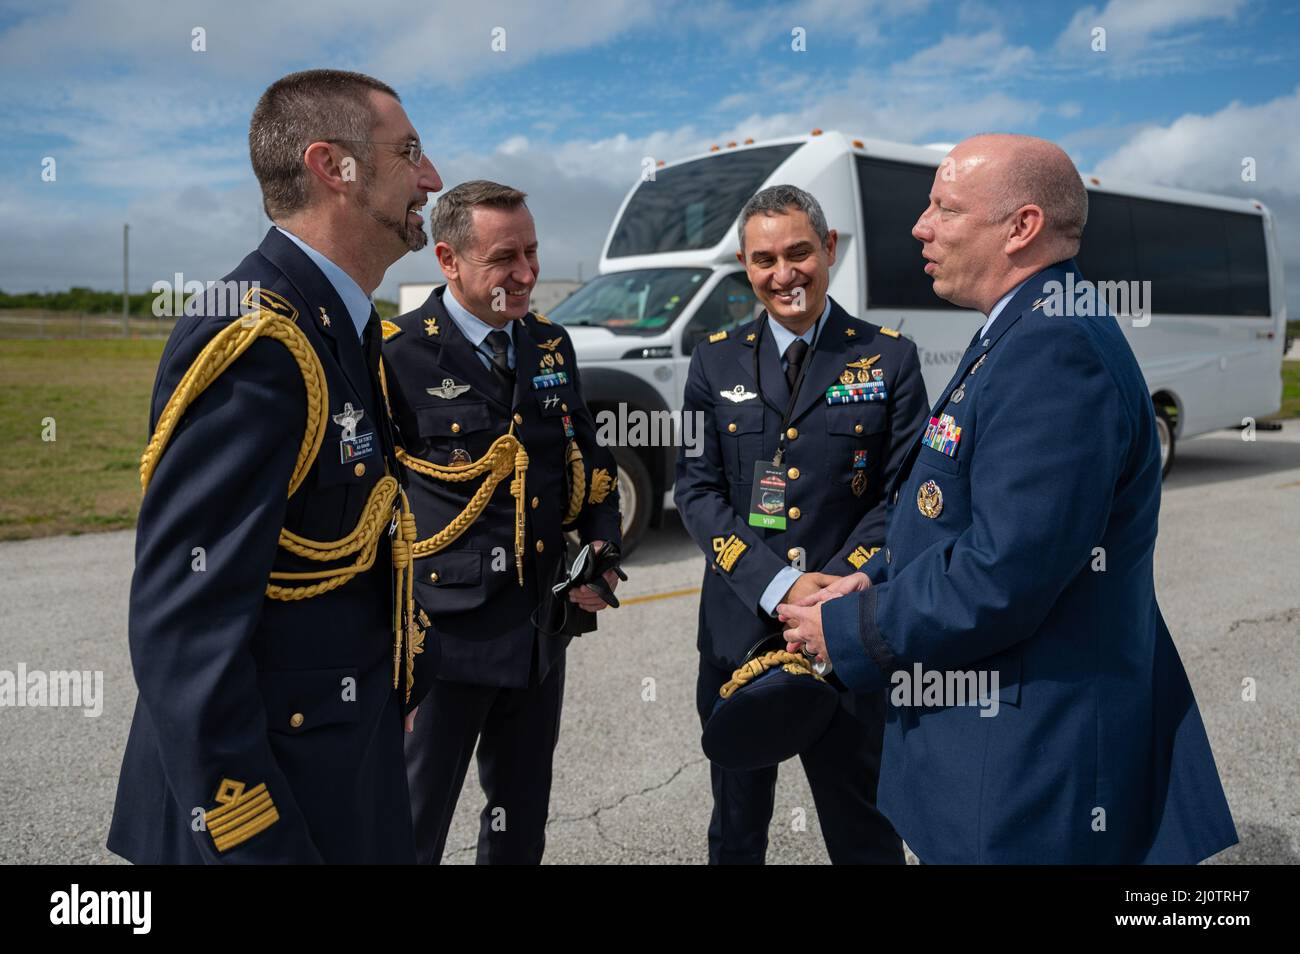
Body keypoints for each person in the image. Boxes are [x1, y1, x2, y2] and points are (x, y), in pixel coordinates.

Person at [780, 134, 1238, 864]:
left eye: (946, 208)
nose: (920, 226)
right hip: (998, 739)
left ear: (1021, 228)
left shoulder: (1055, 348)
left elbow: (1006, 572)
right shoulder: (1023, 325)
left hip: (1026, 764)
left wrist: (854, 626)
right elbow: (961, 514)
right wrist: (886, 576)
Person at [107, 70, 443, 863]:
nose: (431, 178)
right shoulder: (257, 342)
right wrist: (251, 837)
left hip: (340, 767)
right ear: (335, 167)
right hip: (268, 808)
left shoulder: (344, 324)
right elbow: (185, 629)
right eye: (411, 153)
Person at [675, 184, 929, 864]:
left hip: (846, 629)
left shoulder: (890, 359)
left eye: (798, 253)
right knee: (736, 827)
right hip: (739, 632)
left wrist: (840, 583)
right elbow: (696, 490)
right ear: (745, 264)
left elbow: (903, 495)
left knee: (864, 826)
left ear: (830, 249)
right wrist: (779, 584)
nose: (783, 275)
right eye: (764, 260)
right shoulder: (714, 358)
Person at [383, 180, 622, 864]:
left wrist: (601, 549)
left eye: (533, 253)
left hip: (538, 635)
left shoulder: (549, 345)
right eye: (504, 258)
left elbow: (588, 461)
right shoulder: (395, 351)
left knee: (519, 825)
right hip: (442, 641)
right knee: (410, 823)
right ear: (448, 260)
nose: (525, 274)